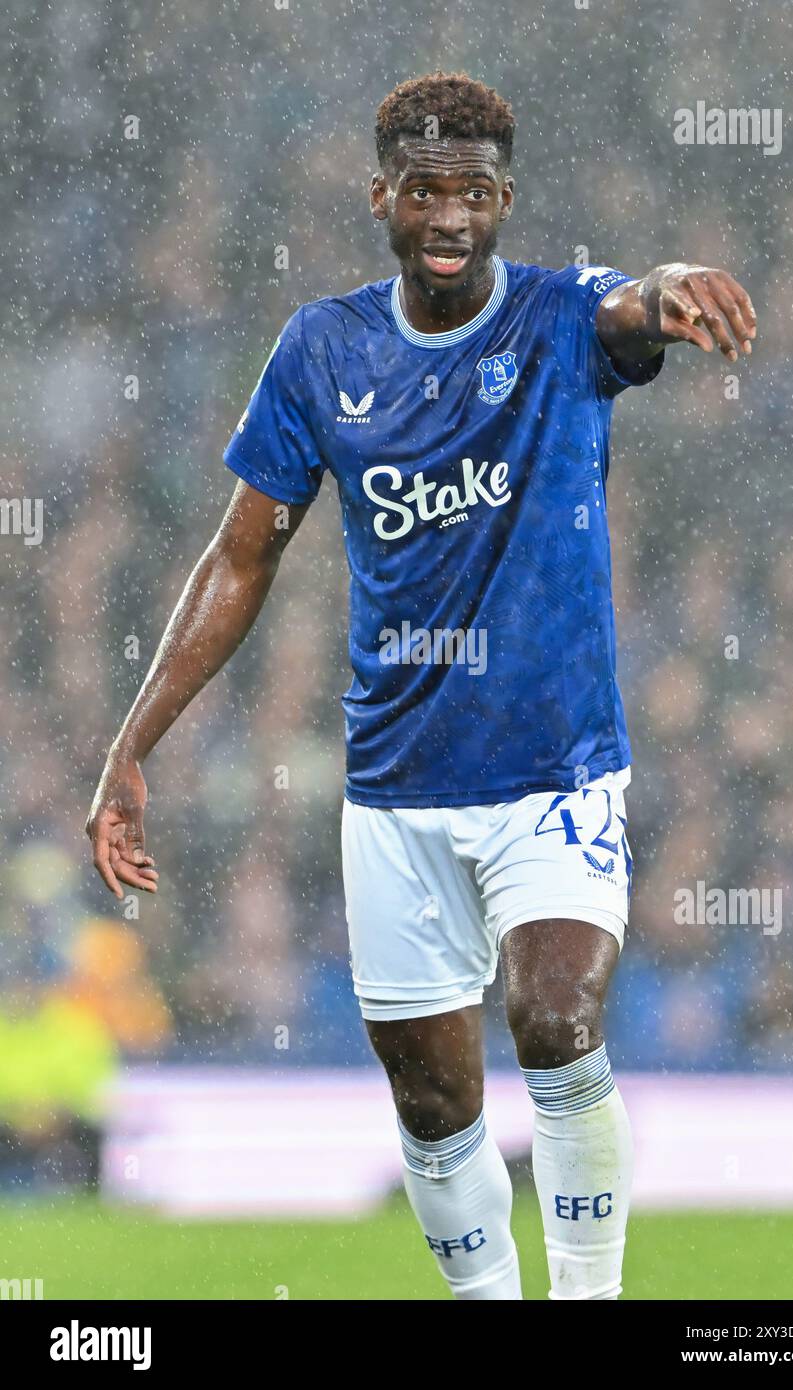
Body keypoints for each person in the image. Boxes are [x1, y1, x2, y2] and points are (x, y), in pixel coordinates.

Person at [86, 71, 756, 1300]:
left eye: (476, 194)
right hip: (394, 792)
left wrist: (671, 286)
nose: (450, 216)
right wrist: (133, 745)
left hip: (551, 772)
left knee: (554, 1024)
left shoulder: (556, 322)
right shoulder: (320, 350)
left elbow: (629, 303)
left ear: (505, 200)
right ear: (380, 194)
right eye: (425, 190)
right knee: (436, 1099)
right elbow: (242, 555)